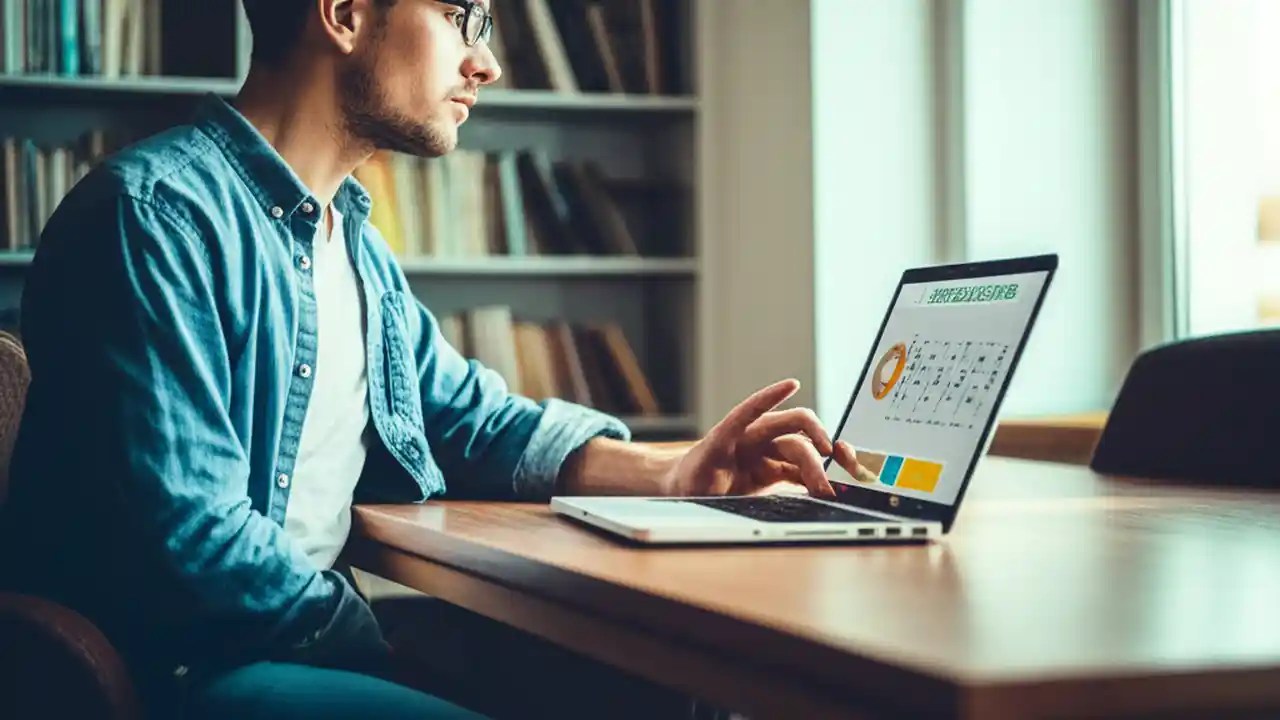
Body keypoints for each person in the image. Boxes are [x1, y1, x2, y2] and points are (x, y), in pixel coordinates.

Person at [0, 0, 862, 717]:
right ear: (341, 14)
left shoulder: (357, 251)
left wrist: (672, 473)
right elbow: (192, 546)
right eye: (463, 17)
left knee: (658, 692)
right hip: (191, 672)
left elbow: (474, 422)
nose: (483, 63)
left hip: (301, 640)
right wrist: (387, 648)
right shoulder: (155, 219)